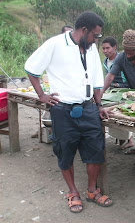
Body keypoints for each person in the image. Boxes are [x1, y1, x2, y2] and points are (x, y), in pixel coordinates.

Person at [25, 11, 113, 213]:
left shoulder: (90, 49)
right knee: (65, 152)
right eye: (95, 35)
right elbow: (31, 69)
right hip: (63, 111)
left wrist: (99, 105)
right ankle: (73, 192)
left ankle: (92, 190)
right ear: (84, 30)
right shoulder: (54, 44)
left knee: (95, 151)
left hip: (88, 108)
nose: (97, 40)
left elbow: (97, 80)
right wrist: (42, 95)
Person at [101, 36, 134, 149]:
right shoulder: (105, 61)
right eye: (103, 48)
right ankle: (121, 138)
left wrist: (116, 85)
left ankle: (128, 139)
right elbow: (107, 77)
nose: (105, 51)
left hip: (123, 90)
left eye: (108, 48)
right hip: (112, 91)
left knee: (121, 113)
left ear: (115, 47)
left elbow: (126, 79)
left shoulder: (121, 59)